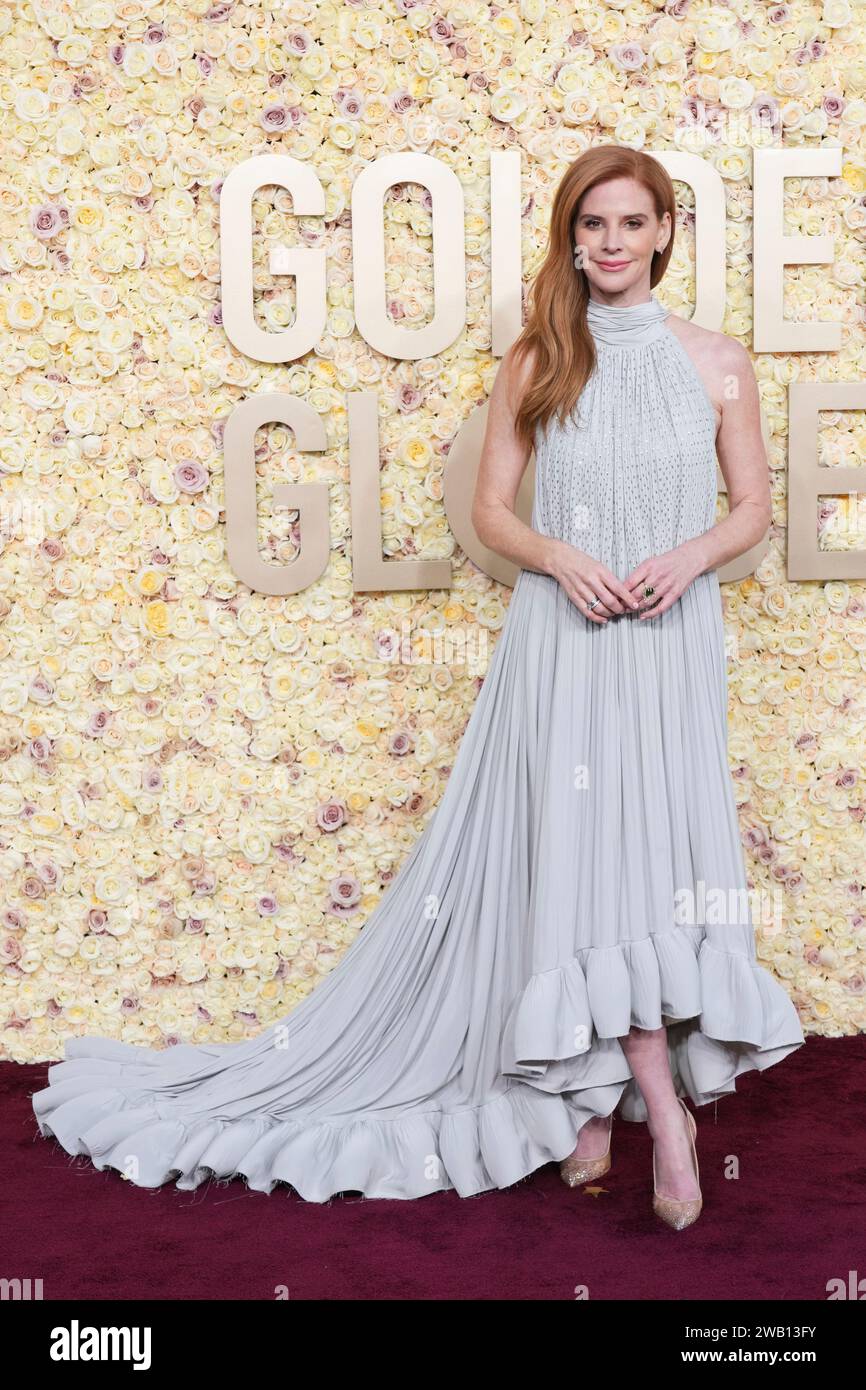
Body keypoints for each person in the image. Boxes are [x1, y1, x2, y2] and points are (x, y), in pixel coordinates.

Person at [31, 145, 804, 1224]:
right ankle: (656, 1113)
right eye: (593, 226)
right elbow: (489, 513)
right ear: (571, 240)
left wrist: (685, 558)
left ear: (666, 231)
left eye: (631, 223)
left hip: (670, 642)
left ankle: (589, 1107)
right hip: (566, 638)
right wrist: (558, 558)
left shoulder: (717, 360)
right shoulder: (539, 356)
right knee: (581, 863)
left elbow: (751, 510)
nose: (612, 243)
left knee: (647, 860)